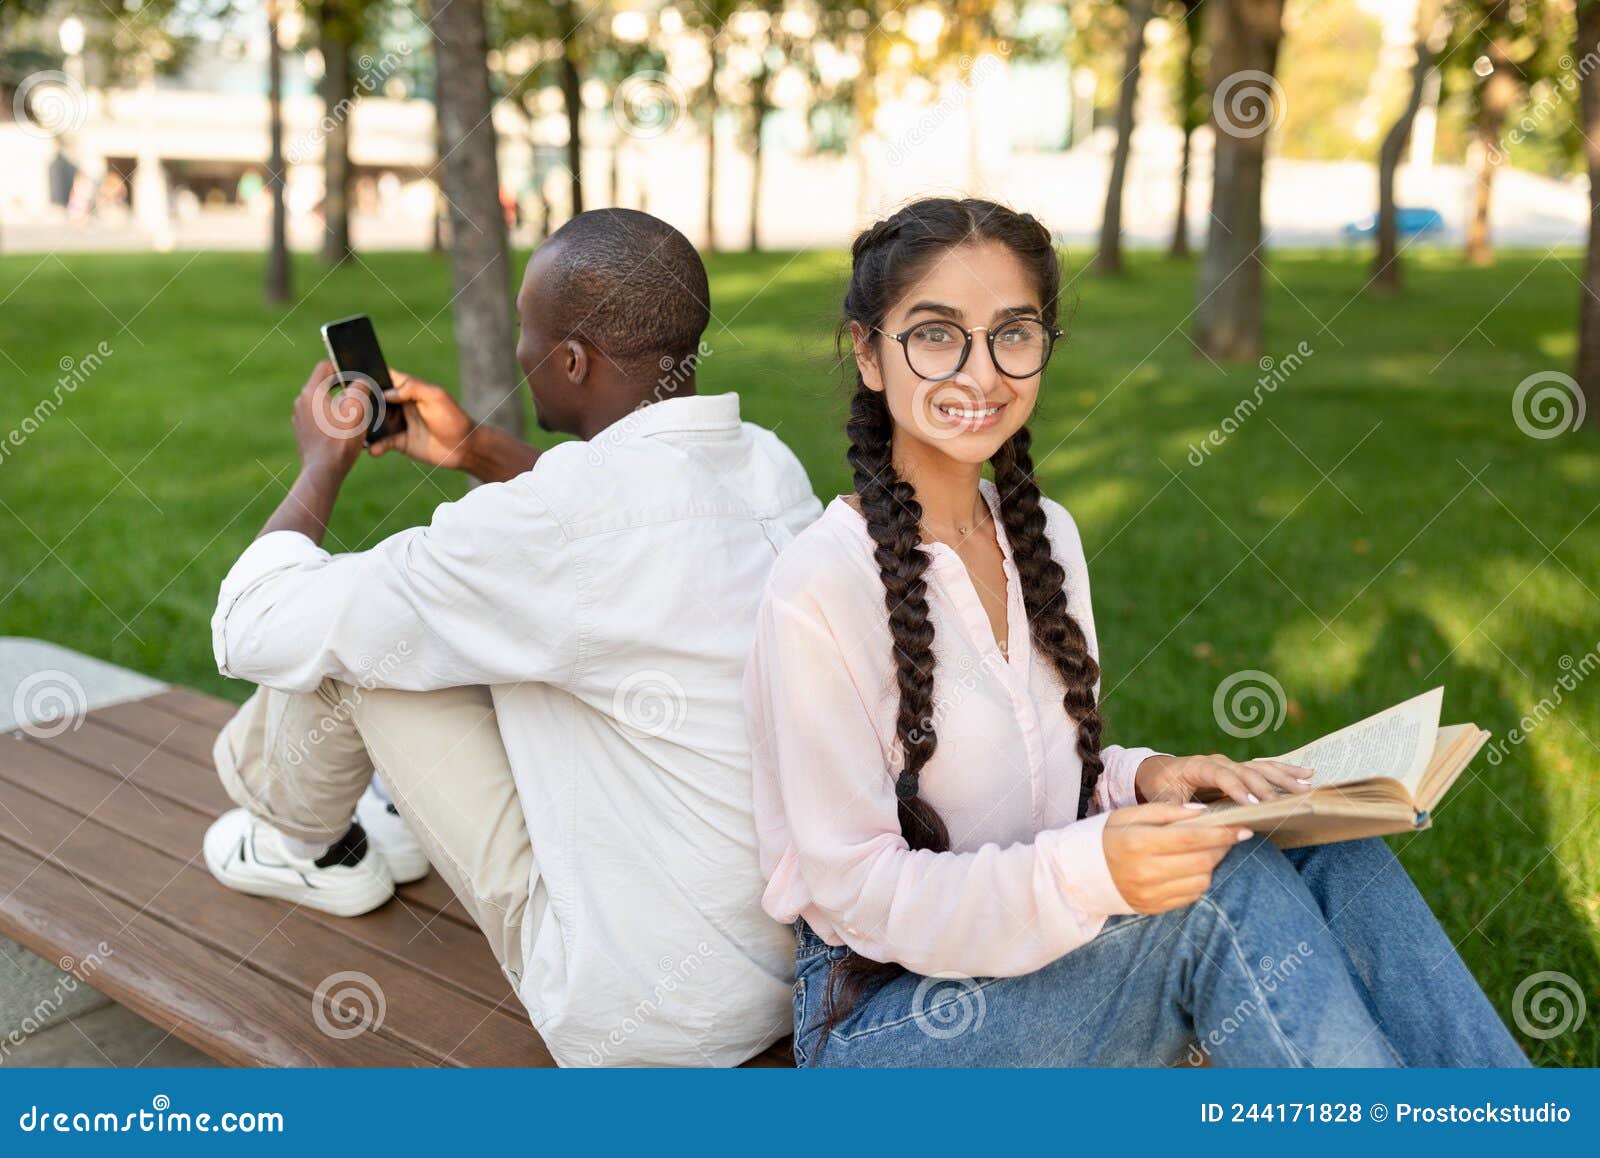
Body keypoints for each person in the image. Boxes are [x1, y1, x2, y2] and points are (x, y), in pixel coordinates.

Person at [741, 197, 1527, 1067]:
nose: (981, 374)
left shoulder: (1044, 537)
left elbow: (1029, 784)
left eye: (1013, 333)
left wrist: (1145, 778)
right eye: (936, 334)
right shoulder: (819, 586)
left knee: (1333, 849)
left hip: (1032, 959)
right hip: (886, 1020)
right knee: (1220, 896)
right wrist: (1091, 870)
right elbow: (857, 891)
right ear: (868, 353)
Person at [204, 208, 821, 1067]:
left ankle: (299, 839)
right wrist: (476, 448)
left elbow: (251, 619)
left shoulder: (555, 531)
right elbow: (624, 523)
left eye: (528, 336)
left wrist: (322, 461)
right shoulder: (765, 464)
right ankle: (375, 817)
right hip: (788, 967)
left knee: (367, 642)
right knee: (446, 620)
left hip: (643, 1018)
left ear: (571, 361)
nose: (520, 354)